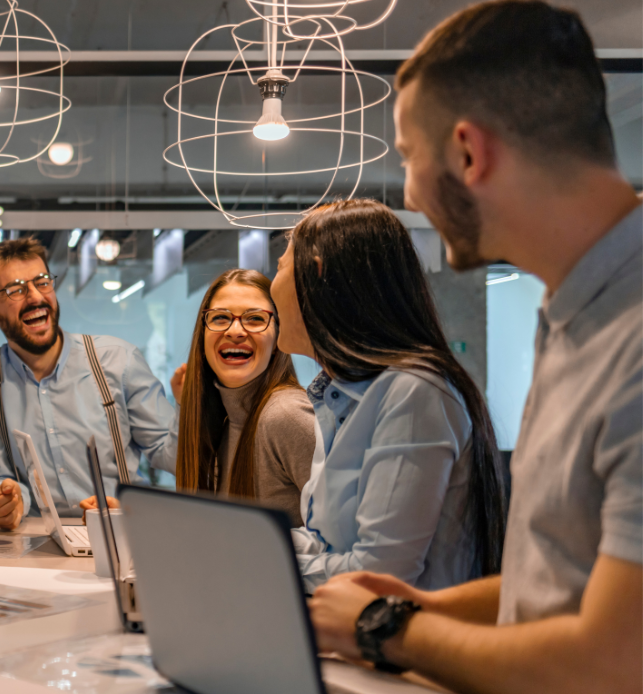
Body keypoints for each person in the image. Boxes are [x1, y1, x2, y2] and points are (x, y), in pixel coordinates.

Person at [307, 3, 643, 692]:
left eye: (408, 157)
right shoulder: (574, 309)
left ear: (467, 152)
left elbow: (614, 659)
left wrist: (387, 629)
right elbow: (557, 574)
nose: (408, 189)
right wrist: (425, 607)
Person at [270, 198, 506, 593]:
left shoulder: (414, 392)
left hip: (411, 650)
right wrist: (251, 543)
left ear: (316, 274)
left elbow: (380, 575)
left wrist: (264, 566)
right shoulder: (340, 397)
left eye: (279, 266)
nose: (270, 285)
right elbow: (328, 543)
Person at [0, 237, 179, 530]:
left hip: (123, 531)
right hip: (34, 543)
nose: (35, 297)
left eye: (42, 282)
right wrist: (5, 499)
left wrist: (189, 404)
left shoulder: (118, 361)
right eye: (15, 290)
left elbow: (169, 454)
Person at [171, 269, 315, 527]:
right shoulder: (226, 418)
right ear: (202, 336)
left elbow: (344, 537)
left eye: (255, 319)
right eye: (220, 318)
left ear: (277, 340)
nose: (235, 331)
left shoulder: (286, 415)